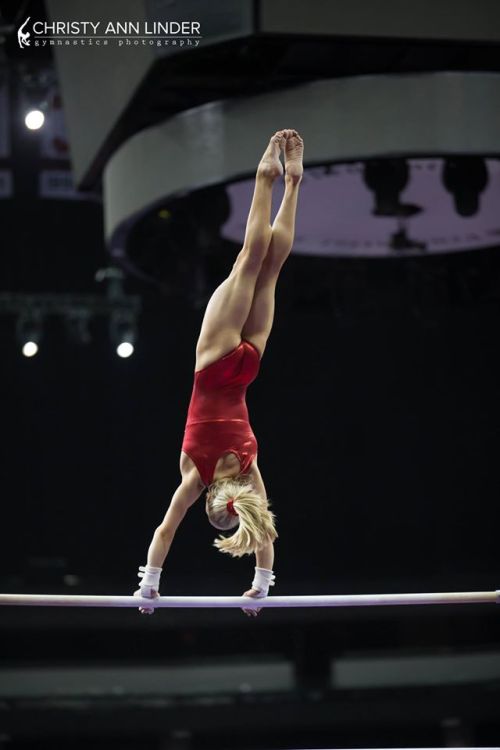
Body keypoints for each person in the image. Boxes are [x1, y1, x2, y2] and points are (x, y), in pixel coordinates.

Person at [134, 129, 304, 616]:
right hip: (215, 362)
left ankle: (292, 185)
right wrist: (149, 587)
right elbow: (166, 529)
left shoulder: (251, 471)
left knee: (269, 270)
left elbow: (265, 529)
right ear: (211, 499)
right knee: (249, 262)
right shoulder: (196, 475)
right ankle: (265, 177)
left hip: (248, 363)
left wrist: (263, 585)